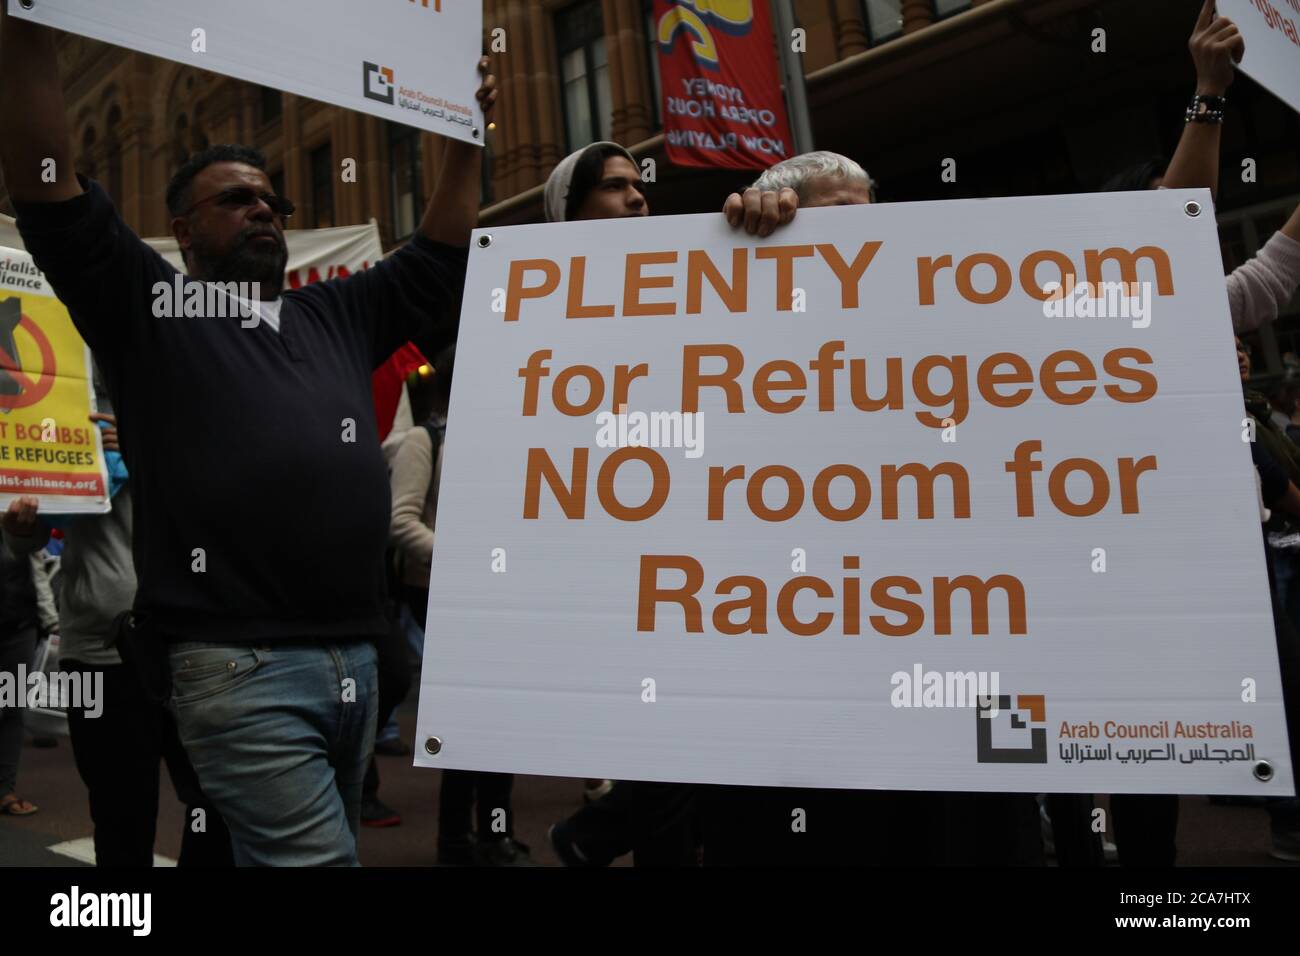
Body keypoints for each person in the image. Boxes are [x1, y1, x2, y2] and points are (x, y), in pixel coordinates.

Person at [0, 7, 497, 865]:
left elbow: (441, 256)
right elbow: (51, 193)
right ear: (184, 233)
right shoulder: (154, 313)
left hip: (357, 662)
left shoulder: (335, 310)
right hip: (238, 666)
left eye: (271, 200)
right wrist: (28, 25)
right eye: (236, 200)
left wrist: (462, 135)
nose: (263, 210)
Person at [2, 376, 233, 866]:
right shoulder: (61, 395)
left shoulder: (191, 381)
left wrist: (145, 450)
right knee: (120, 810)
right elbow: (35, 533)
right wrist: (20, 527)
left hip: (195, 641)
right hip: (102, 647)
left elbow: (227, 496)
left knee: (218, 801)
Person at [0, 535, 41, 817]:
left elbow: (37, 567)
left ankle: (4, 789)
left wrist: (49, 619)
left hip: (18, 625)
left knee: (13, 708)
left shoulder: (16, 516)